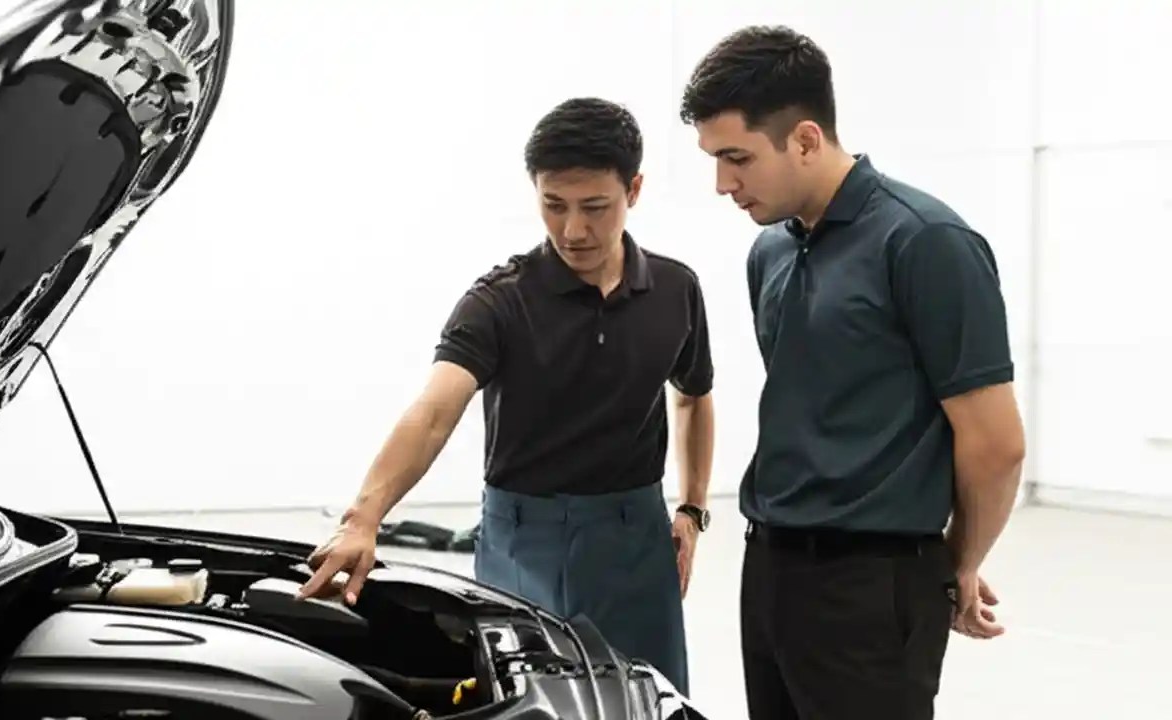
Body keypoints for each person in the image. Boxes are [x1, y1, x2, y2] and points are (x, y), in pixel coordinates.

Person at [298, 97, 716, 697]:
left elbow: (693, 394)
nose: (573, 230)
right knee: (525, 702)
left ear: (635, 190)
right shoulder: (498, 301)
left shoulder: (676, 290)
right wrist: (363, 518)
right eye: (554, 205)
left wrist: (692, 509)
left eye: (595, 207)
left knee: (647, 700)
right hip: (523, 538)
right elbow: (434, 412)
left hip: (634, 537)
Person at [678, 25, 1026, 720]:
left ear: (806, 139)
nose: (722, 184)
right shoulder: (771, 253)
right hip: (769, 569)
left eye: (737, 158)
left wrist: (956, 564)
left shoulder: (926, 242)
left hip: (872, 586)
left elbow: (996, 443)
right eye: (715, 160)